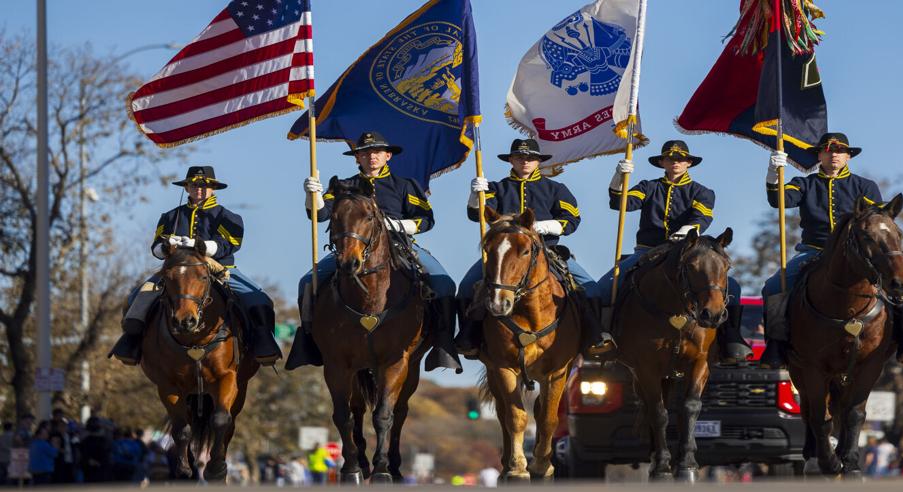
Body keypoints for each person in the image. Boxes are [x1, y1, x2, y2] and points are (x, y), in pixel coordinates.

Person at [290, 131, 460, 373]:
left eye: (377, 152)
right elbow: (321, 214)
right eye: (365, 153)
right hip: (353, 248)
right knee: (307, 281)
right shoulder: (344, 186)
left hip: (400, 244)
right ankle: (308, 340)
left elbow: (426, 219)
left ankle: (444, 344)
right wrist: (312, 196)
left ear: (388, 156)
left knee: (444, 285)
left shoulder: (405, 185)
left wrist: (398, 225)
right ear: (357, 157)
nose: (372, 157)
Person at [759, 132, 903, 367]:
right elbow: (779, 201)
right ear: (819, 155)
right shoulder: (804, 183)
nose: (833, 155)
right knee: (773, 286)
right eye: (828, 151)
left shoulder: (865, 186)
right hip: (814, 251)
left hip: (858, 254)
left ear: (848, 156)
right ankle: (776, 346)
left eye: (839, 151)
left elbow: (878, 220)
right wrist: (773, 176)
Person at [109, 166, 282, 366]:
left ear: (213, 188)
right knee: (137, 297)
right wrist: (165, 247)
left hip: (217, 268)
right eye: (194, 185)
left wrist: (197, 245)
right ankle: (131, 342)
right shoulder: (170, 216)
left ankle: (262, 343)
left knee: (259, 299)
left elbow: (229, 245)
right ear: (187, 188)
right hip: (176, 270)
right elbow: (155, 247)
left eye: (204, 185)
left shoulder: (228, 217)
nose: (199, 189)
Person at [457, 138, 611, 358]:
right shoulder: (496, 188)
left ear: (539, 161)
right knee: (465, 287)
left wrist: (545, 226)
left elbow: (572, 220)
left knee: (591, 289)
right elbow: (478, 215)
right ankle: (468, 338)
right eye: (520, 157)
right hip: (505, 254)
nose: (525, 161)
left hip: (547, 251)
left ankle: (593, 337)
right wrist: (475, 197)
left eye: (530, 158)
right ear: (511, 160)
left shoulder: (556, 189)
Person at [596, 140, 745, 360]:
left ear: (688, 163)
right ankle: (605, 336)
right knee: (605, 287)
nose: (675, 162)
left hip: (686, 252)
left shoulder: (702, 192)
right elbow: (621, 203)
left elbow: (702, 217)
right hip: (648, 251)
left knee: (732, 287)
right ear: (662, 162)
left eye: (680, 159)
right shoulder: (648, 187)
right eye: (670, 159)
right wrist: (619, 178)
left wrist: (688, 230)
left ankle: (731, 338)